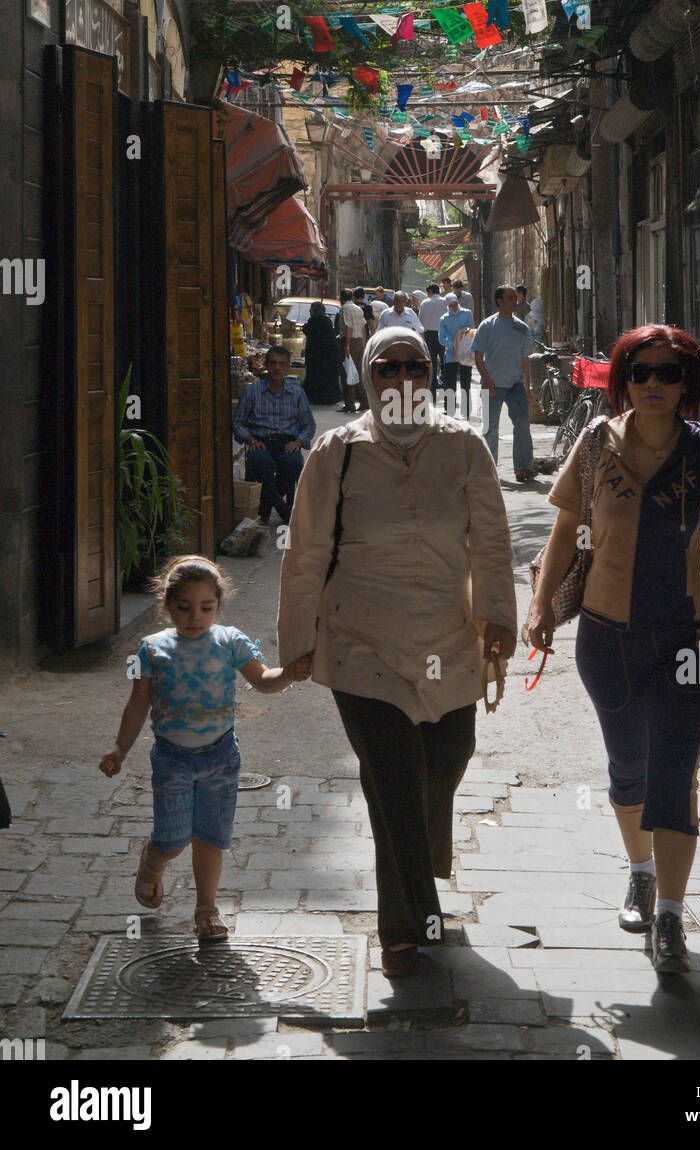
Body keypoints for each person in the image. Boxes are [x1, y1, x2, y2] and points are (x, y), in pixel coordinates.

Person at [277, 330, 517, 977]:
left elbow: (492, 541)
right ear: (368, 375)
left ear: (431, 373)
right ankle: (406, 927)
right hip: (361, 643)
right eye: (389, 368)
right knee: (394, 776)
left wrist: (499, 618)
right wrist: (297, 642)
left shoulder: (463, 446)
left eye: (416, 366)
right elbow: (305, 553)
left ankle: (417, 868)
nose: (403, 378)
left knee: (446, 757)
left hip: (448, 639)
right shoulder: (338, 452)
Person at [525, 325, 700, 973]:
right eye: (640, 372)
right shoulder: (597, 443)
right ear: (623, 381)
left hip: (686, 639)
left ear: (686, 385)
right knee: (628, 770)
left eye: (668, 373)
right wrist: (540, 604)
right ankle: (641, 872)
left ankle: (670, 917)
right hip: (605, 638)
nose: (653, 383)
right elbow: (567, 528)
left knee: (674, 777)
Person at [99, 556, 295, 941]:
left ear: (218, 604)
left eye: (206, 607)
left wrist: (289, 674)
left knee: (211, 836)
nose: (195, 617)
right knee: (172, 838)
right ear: (167, 604)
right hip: (171, 759)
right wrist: (120, 748)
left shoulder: (231, 641)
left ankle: (206, 910)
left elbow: (263, 680)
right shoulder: (151, 649)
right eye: (184, 607)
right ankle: (153, 862)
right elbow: (137, 703)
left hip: (221, 757)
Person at [232, 346, 316, 524]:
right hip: (260, 443)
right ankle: (281, 506)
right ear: (266, 365)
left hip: (287, 445)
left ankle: (266, 506)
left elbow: (309, 425)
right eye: (273, 363)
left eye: (282, 364)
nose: (277, 368)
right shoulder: (252, 391)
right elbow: (237, 422)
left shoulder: (297, 393)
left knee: (293, 464)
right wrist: (250, 439)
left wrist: (298, 442)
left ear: (288, 368)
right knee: (260, 462)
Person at [471, 285, 536, 482]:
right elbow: (478, 356)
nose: (515, 301)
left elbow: (525, 360)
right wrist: (486, 379)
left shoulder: (522, 327)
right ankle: (489, 470)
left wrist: (527, 387)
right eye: (510, 298)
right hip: (492, 385)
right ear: (499, 301)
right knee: (490, 428)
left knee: (522, 424)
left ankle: (524, 467)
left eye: (515, 298)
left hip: (516, 384)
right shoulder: (487, 325)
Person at [438, 293, 474, 418]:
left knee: (466, 382)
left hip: (465, 354)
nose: (454, 307)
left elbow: (472, 330)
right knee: (450, 383)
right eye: (451, 305)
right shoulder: (444, 319)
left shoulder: (467, 313)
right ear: (447, 305)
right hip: (450, 354)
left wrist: (463, 343)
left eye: (455, 304)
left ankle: (466, 410)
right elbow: (441, 338)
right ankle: (449, 410)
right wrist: (454, 345)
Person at [302, 302, 341, 406]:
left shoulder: (314, 320)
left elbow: (308, 330)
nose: (309, 311)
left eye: (311, 309)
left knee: (316, 376)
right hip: (328, 355)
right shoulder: (326, 321)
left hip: (317, 355)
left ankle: (316, 398)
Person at [340, 287, 368, 413]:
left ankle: (350, 403)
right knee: (357, 371)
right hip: (359, 341)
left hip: (350, 341)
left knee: (348, 372)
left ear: (341, 298)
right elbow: (363, 327)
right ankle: (363, 401)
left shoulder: (345, 308)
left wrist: (346, 346)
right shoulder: (357, 308)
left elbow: (348, 327)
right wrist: (363, 344)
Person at [419, 282, 448, 398]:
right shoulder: (445, 302)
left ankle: (432, 390)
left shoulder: (424, 303)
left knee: (432, 363)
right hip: (443, 335)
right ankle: (446, 387)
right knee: (445, 362)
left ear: (430, 292)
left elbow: (420, 321)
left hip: (429, 336)